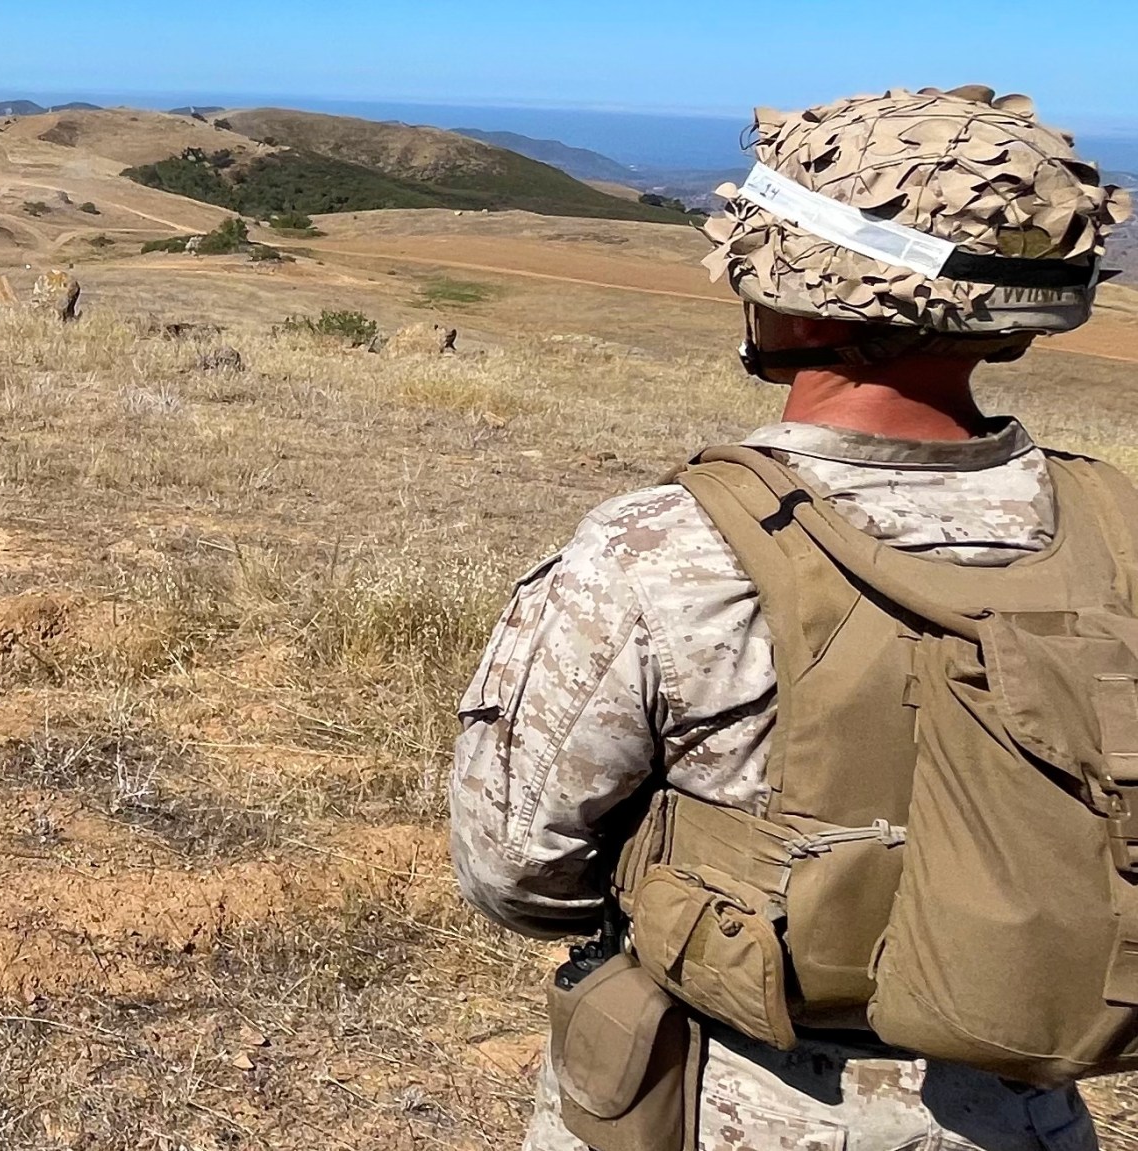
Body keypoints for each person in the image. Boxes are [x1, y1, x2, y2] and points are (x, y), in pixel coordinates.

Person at [450, 86, 1133, 1151]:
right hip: (1027, 1105)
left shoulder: (666, 545)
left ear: (795, 302)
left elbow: (514, 867)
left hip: (724, 1093)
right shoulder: (1117, 526)